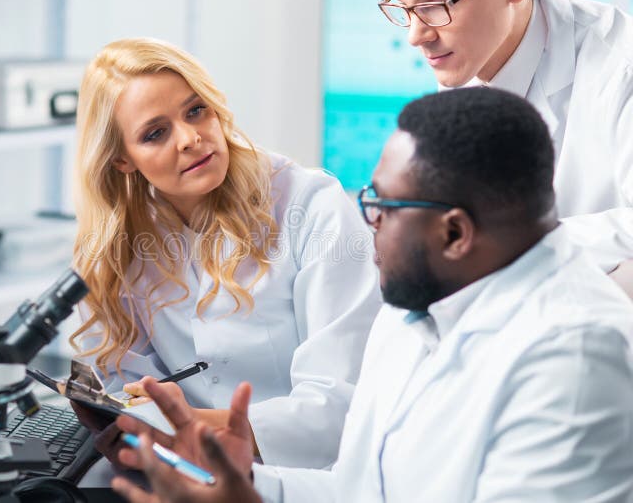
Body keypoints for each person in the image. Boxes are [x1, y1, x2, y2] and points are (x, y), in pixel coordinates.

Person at [112, 87, 633, 503]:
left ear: (454, 233)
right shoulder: (414, 311)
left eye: (383, 205)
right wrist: (245, 483)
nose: (368, 221)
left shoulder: (575, 359)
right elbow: (361, 491)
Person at [69, 37, 382, 469]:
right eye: (155, 133)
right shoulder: (124, 243)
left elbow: (337, 408)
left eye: (196, 110)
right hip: (187, 474)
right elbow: (124, 389)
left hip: (312, 480)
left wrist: (190, 426)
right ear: (123, 160)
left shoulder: (311, 206)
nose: (191, 138)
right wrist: (147, 410)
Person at [378, 0, 633, 293]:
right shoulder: (466, 58)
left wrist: (506, 247)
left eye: (435, 6)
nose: (415, 35)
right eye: (403, 7)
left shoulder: (621, 70)